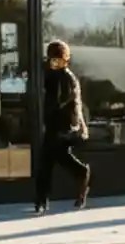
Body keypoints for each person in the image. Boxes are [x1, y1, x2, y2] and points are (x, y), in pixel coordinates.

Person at [34, 40, 91, 214]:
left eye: (58, 59)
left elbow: (64, 102)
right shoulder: (50, 75)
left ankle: (42, 201)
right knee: (50, 161)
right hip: (54, 124)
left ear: (65, 60)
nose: (54, 63)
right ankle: (41, 201)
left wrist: (80, 126)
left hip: (64, 126)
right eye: (52, 59)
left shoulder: (66, 78)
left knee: (50, 161)